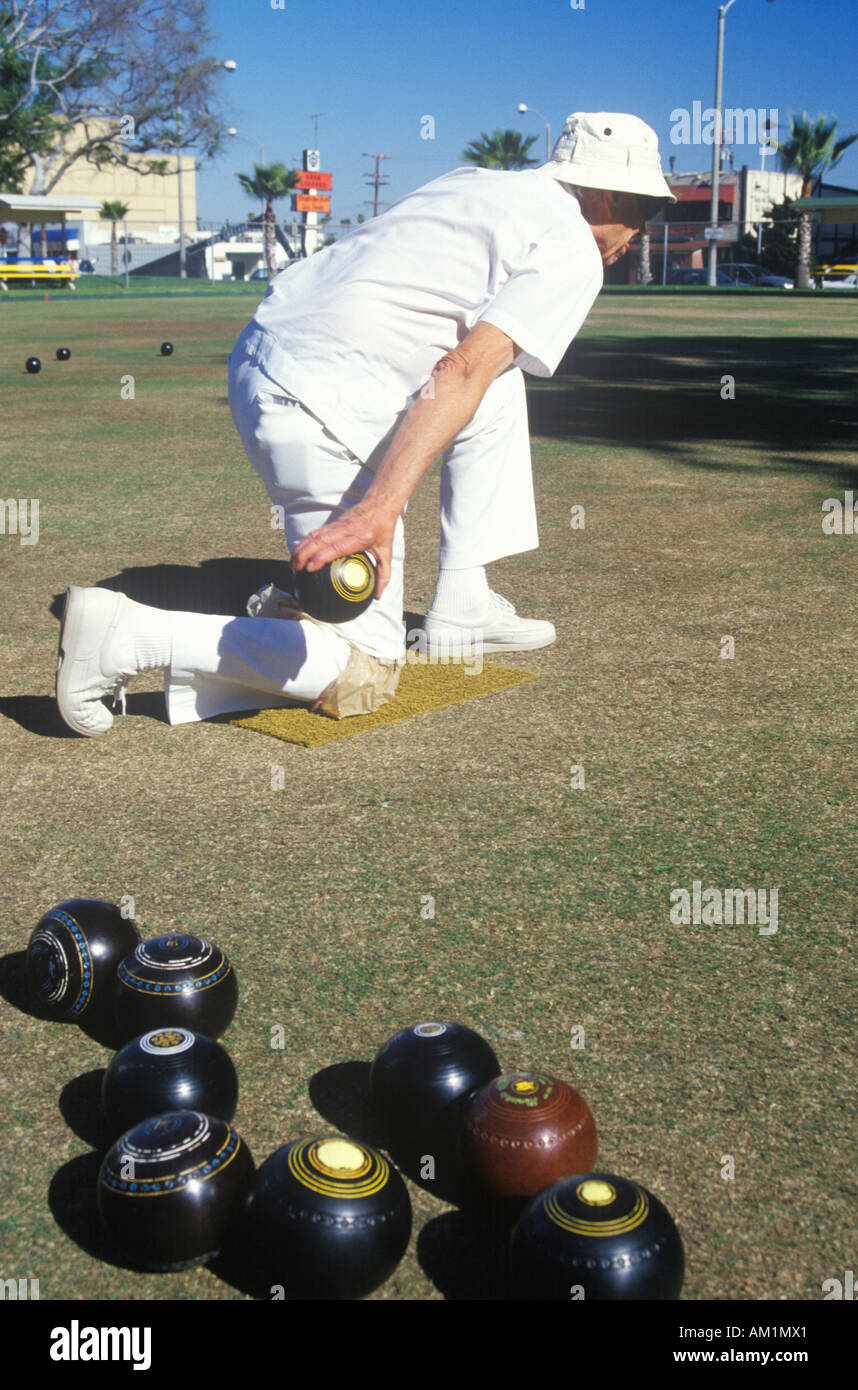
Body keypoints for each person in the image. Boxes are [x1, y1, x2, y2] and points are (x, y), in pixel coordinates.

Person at [56, 112, 675, 737]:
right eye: (644, 213)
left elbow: (475, 372)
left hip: (260, 358)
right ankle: (126, 636)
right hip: (318, 405)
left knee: (502, 379)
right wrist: (379, 509)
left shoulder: (477, 183)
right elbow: (459, 369)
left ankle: (462, 602)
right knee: (365, 671)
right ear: (606, 195)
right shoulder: (573, 246)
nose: (639, 235)